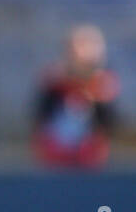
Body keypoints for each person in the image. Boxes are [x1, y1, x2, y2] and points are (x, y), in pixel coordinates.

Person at [32, 24, 117, 168]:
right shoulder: (53, 85)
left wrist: (94, 95)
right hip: (56, 160)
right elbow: (40, 117)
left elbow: (110, 123)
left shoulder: (102, 85)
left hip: (91, 161)